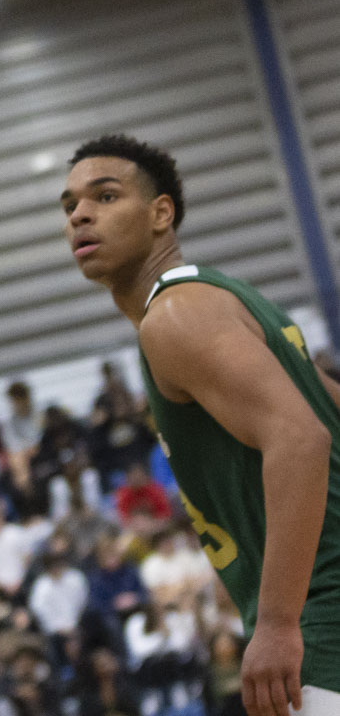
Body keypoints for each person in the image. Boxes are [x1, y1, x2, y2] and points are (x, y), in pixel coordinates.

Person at [63, 133, 340, 715]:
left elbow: (301, 439)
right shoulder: (224, 296)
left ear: (161, 213)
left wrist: (277, 623)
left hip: (322, 630)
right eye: (70, 205)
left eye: (105, 196)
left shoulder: (175, 316)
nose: (80, 214)